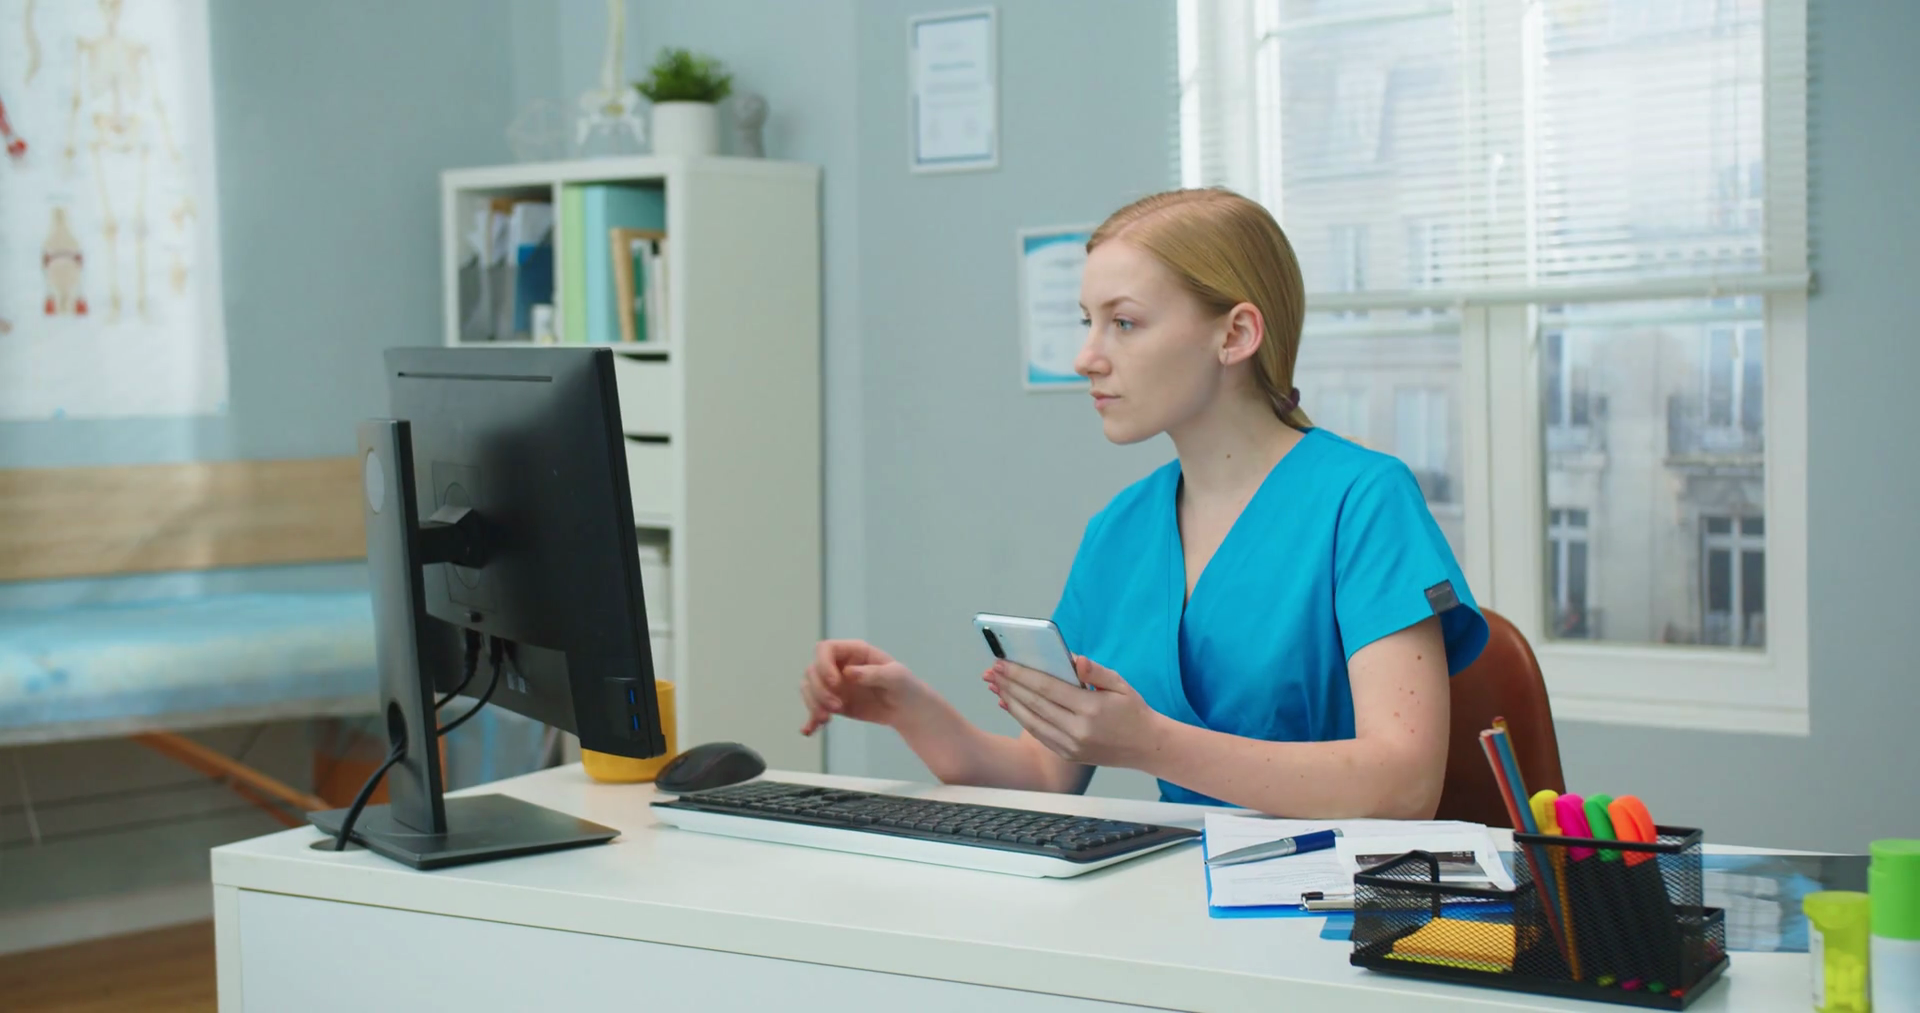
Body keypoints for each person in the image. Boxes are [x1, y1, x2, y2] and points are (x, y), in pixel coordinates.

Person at [800, 188, 1487, 819]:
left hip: (1328, 914)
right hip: (1174, 898)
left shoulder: (1363, 500)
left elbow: (1403, 785)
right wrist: (908, 707)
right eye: (1086, 322)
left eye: (1123, 323)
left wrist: (1153, 743)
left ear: (1236, 335)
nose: (1085, 357)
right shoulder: (1122, 530)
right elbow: (1046, 775)